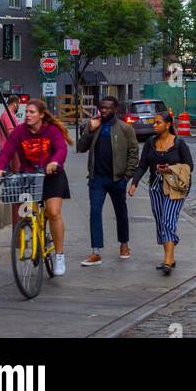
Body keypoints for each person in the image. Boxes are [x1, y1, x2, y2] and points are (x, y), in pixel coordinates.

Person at [0, 98, 72, 276]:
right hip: (29, 175)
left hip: (52, 175)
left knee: (53, 212)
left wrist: (55, 161)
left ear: (41, 115)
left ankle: (59, 255)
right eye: (26, 112)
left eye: (32, 112)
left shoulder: (51, 130)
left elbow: (61, 149)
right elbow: (7, 150)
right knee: (24, 207)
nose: (27, 115)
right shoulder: (20, 131)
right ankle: (29, 228)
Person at [128, 109, 193, 275]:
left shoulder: (179, 143)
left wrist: (169, 169)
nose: (155, 125)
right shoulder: (150, 142)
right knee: (160, 220)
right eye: (154, 123)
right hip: (155, 187)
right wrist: (134, 183)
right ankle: (169, 254)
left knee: (168, 220)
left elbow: (189, 166)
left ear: (168, 125)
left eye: (158, 123)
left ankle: (168, 261)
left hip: (174, 188)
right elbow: (142, 165)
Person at [76, 95, 138, 265]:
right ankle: (96, 252)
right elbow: (80, 148)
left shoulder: (125, 128)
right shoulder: (95, 126)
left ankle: (124, 244)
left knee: (121, 213)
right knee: (95, 213)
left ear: (115, 109)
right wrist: (89, 129)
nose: (103, 110)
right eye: (101, 107)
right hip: (97, 179)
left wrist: (127, 176)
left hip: (117, 179)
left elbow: (133, 152)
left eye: (107, 108)